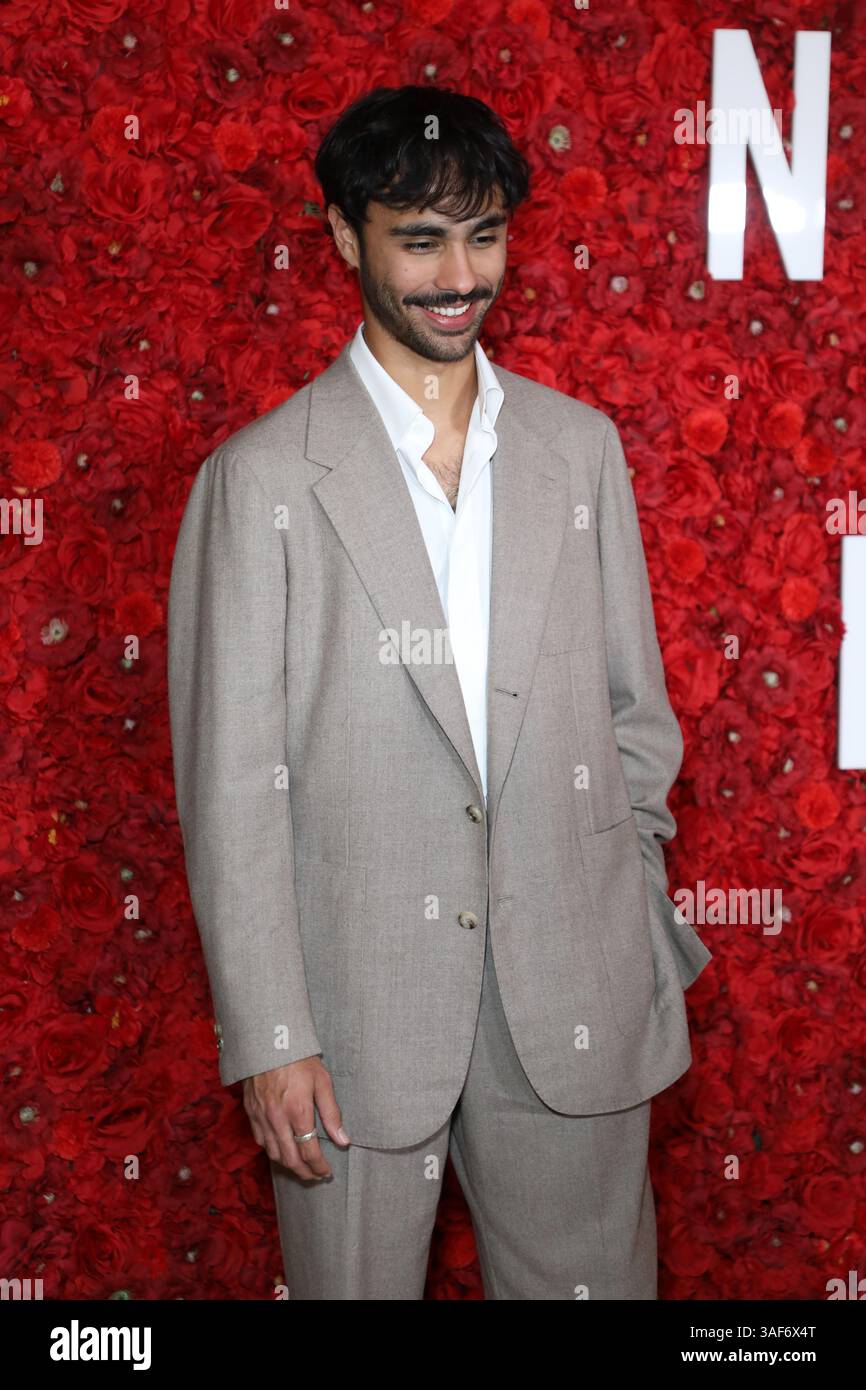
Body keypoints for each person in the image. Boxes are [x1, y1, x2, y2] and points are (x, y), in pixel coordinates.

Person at [167, 84, 713, 1300]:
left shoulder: (581, 451)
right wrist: (271, 1034)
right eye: (418, 239)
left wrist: (624, 907)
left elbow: (633, 717)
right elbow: (231, 791)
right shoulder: (257, 482)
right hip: (354, 1020)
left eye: (484, 235)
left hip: (574, 994)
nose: (457, 275)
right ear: (342, 235)